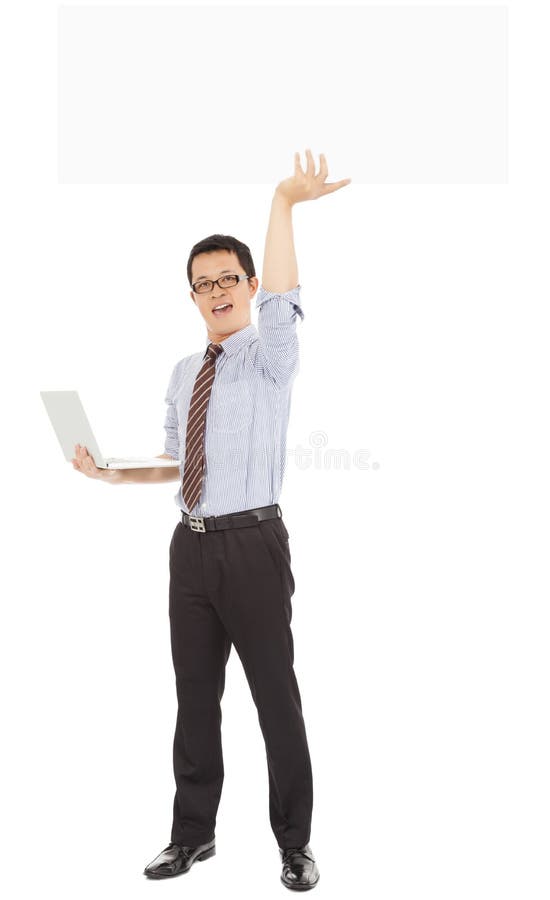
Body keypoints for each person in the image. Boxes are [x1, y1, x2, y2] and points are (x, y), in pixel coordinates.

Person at [71, 148, 351, 890]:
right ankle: (192, 835)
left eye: (229, 278)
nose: (216, 291)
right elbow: (173, 461)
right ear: (192, 297)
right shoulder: (181, 372)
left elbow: (285, 296)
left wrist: (283, 204)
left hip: (254, 545)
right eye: (203, 285)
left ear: (250, 286)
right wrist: (108, 472)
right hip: (188, 550)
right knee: (195, 698)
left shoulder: (269, 356)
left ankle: (295, 843)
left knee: (274, 699)